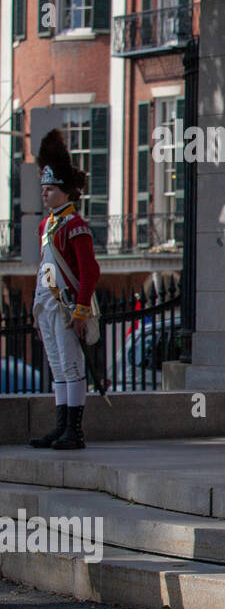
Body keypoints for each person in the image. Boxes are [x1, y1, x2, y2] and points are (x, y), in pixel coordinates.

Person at [28, 128, 100, 450]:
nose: (44, 194)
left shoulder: (76, 226)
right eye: (43, 188)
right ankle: (60, 428)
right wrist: (37, 307)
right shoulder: (46, 226)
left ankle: (75, 430)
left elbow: (89, 271)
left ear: (67, 192)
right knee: (57, 366)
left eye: (51, 188)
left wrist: (82, 310)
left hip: (69, 306)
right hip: (48, 305)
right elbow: (45, 268)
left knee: (72, 366)